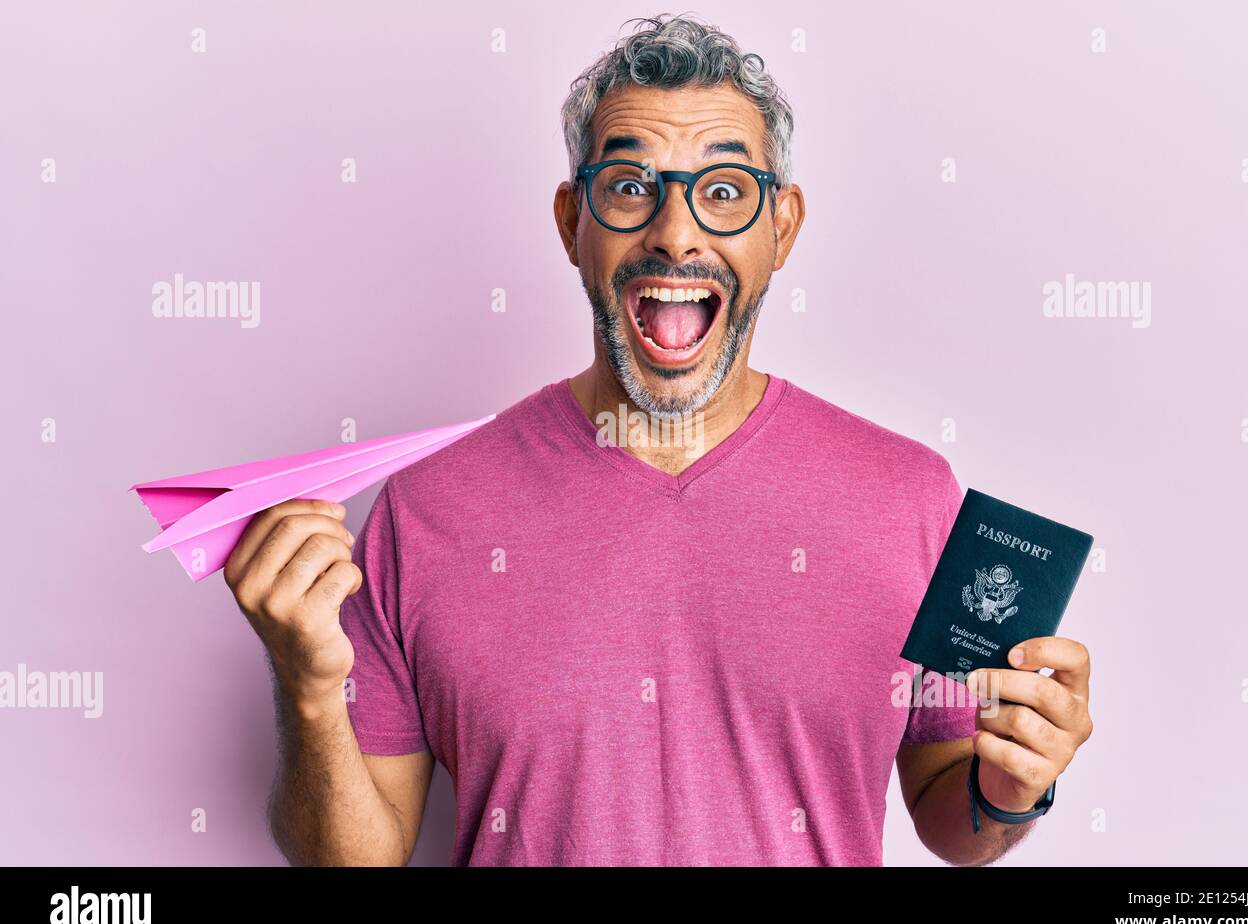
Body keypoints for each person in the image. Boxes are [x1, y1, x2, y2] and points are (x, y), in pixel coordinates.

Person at [223, 13, 1093, 866]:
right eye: (631, 187)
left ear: (782, 228)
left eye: (723, 192)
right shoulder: (428, 508)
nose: (676, 234)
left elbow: (951, 817)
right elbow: (353, 860)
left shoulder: (910, 497)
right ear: (572, 223)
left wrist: (1011, 788)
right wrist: (305, 690)